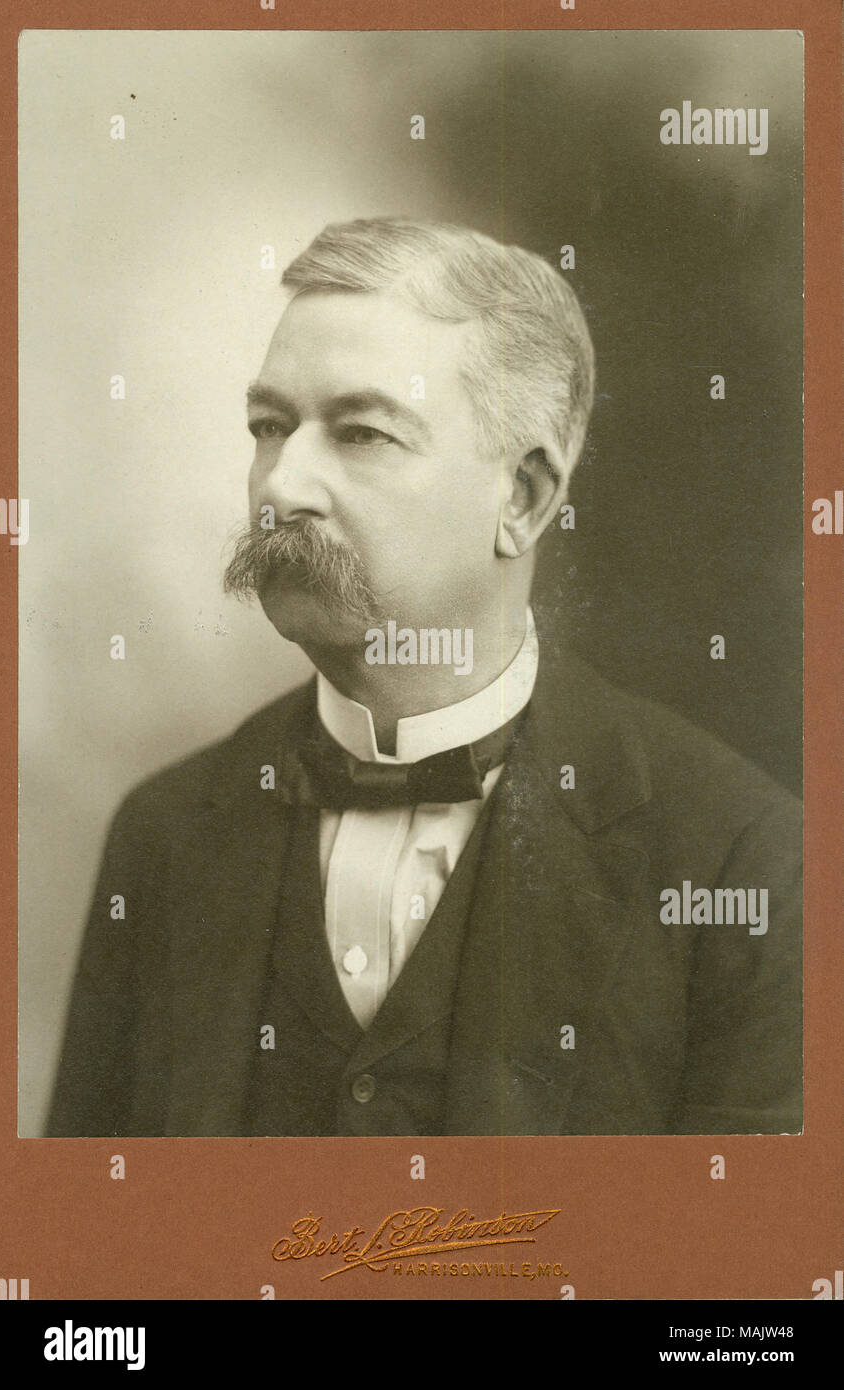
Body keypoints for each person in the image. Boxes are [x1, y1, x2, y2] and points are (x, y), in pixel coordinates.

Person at [46, 217, 802, 1138]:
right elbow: (93, 1249)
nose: (281, 485)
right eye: (268, 426)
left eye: (360, 433)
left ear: (522, 498)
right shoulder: (163, 835)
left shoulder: (736, 856)